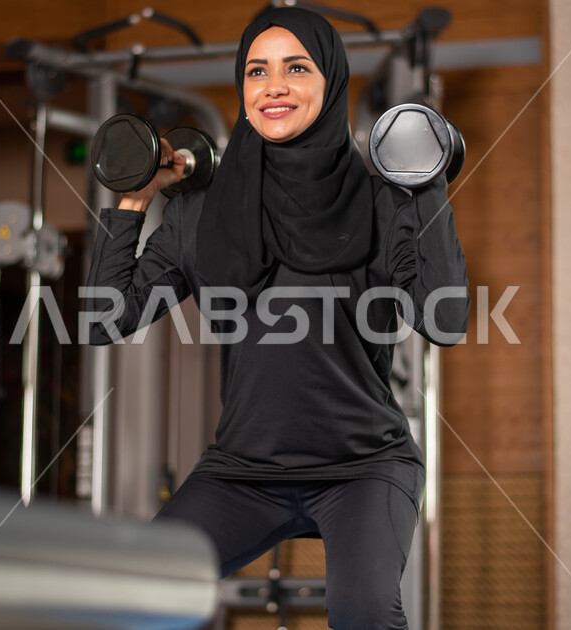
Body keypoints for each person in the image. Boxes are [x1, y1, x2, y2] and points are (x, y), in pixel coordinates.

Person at [85, 7, 468, 629]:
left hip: (363, 467)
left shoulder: (380, 202)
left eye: (297, 67)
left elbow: (445, 319)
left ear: (331, 81)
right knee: (132, 589)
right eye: (256, 70)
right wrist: (135, 198)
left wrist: (426, 183)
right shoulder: (199, 214)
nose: (274, 86)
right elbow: (106, 318)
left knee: (363, 612)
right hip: (243, 471)